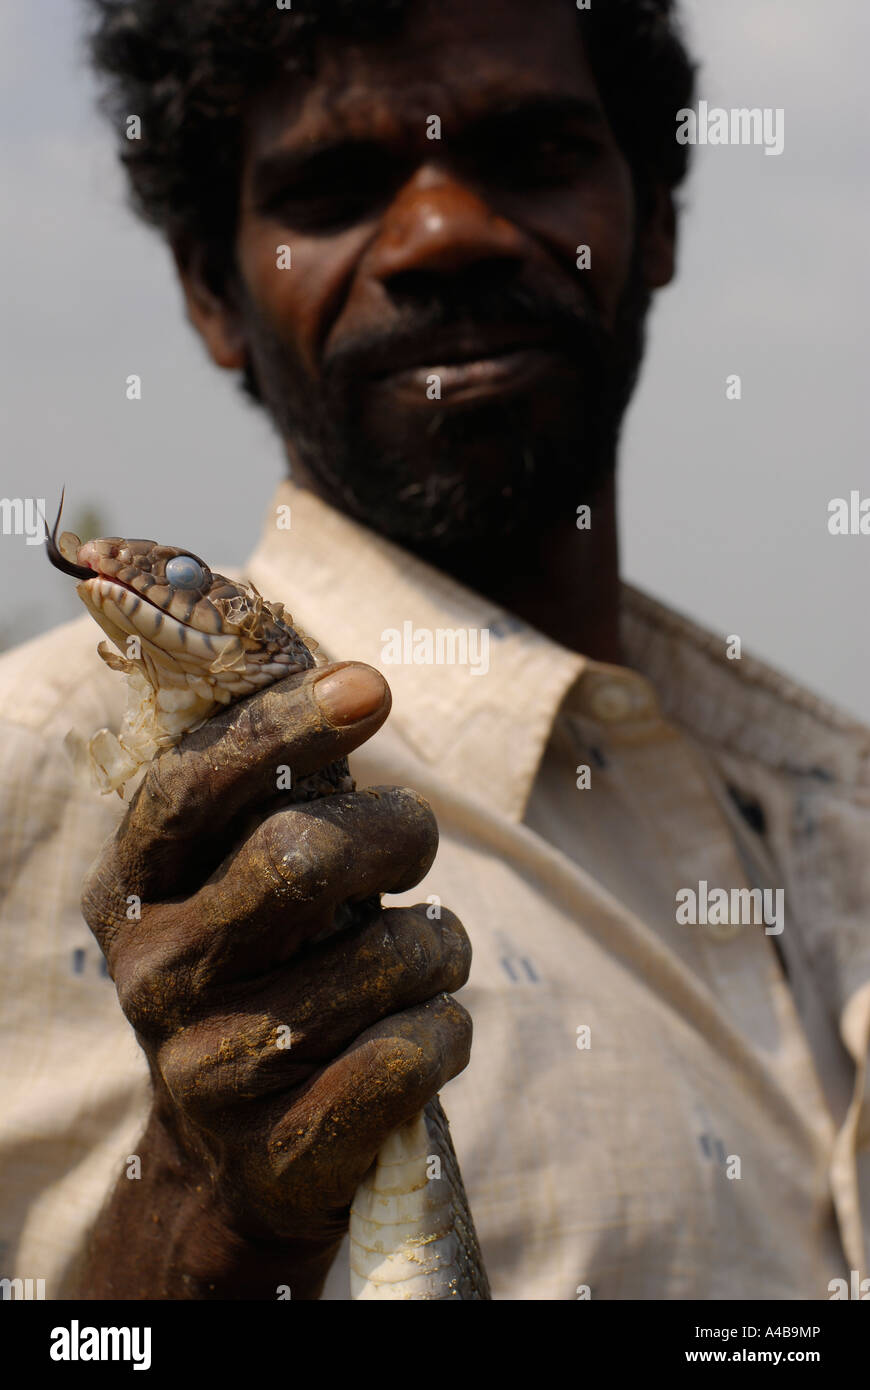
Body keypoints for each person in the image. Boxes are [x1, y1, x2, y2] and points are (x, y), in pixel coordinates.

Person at [1, 0, 867, 1301]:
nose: (443, 231)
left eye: (530, 152)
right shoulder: (37, 770)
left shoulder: (821, 796)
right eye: (338, 187)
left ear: (660, 219)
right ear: (208, 290)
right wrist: (208, 1212)